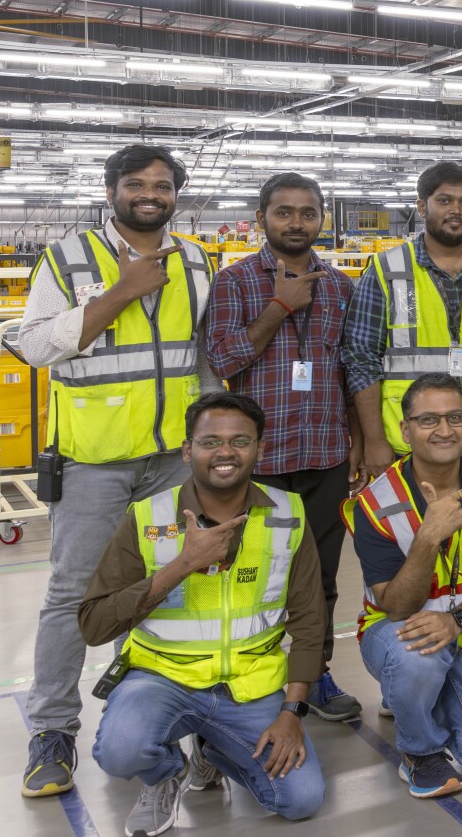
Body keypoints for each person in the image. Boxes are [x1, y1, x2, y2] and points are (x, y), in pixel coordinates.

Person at [18, 143, 219, 798]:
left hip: (170, 460)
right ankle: (51, 729)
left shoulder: (193, 258)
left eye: (162, 183)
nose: (149, 192)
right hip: (92, 462)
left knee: (169, 586)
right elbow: (35, 344)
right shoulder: (69, 257)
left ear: (174, 195)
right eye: (136, 182)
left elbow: (201, 355)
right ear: (112, 191)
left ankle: (164, 718)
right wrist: (121, 293)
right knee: (75, 592)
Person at [78, 393, 326, 834]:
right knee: (120, 751)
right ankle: (167, 772)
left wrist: (293, 712)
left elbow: (309, 617)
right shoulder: (146, 517)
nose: (226, 452)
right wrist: (182, 565)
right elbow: (95, 624)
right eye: (210, 441)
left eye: (240, 441)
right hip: (162, 677)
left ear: (260, 449)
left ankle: (213, 750)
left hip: (251, 685)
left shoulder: (289, 513)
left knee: (301, 800)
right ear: (187, 450)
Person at [205, 171, 361, 723]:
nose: (297, 223)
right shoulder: (235, 282)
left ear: (322, 219)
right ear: (261, 219)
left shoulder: (344, 287)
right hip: (258, 463)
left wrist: (359, 442)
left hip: (324, 453)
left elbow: (353, 372)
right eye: (284, 212)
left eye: (308, 212)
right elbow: (224, 361)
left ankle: (314, 676)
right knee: (252, 575)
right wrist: (279, 307)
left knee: (319, 578)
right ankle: (251, 678)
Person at [345, 373, 462, 799]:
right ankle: (419, 749)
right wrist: (427, 537)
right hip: (399, 631)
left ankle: (419, 700)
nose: (444, 430)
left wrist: (457, 620)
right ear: (405, 430)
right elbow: (395, 606)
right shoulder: (375, 503)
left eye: (455, 417)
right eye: (428, 420)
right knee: (416, 661)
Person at [343, 160, 462, 485]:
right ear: (422, 206)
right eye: (444, 201)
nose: (456, 210)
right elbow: (360, 359)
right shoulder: (387, 269)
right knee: (414, 533)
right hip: (409, 439)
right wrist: (374, 440)